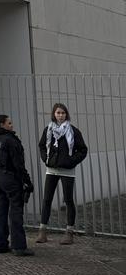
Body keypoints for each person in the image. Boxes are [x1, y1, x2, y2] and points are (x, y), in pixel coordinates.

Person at [36, 102, 88, 245]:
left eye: (63, 113)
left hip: (67, 171)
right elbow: (41, 146)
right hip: (51, 170)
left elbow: (83, 150)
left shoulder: (73, 131)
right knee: (47, 199)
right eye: (58, 113)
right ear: (54, 114)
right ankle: (42, 231)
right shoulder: (48, 130)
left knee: (68, 200)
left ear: (66, 115)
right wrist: (46, 159)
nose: (60, 115)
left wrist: (71, 161)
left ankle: (69, 232)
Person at [0, 113, 34, 256]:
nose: (12, 125)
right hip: (10, 178)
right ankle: (19, 246)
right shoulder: (10, 140)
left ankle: (0, 245)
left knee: (0, 212)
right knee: (15, 212)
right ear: (2, 125)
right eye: (9, 123)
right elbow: (18, 164)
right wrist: (27, 181)